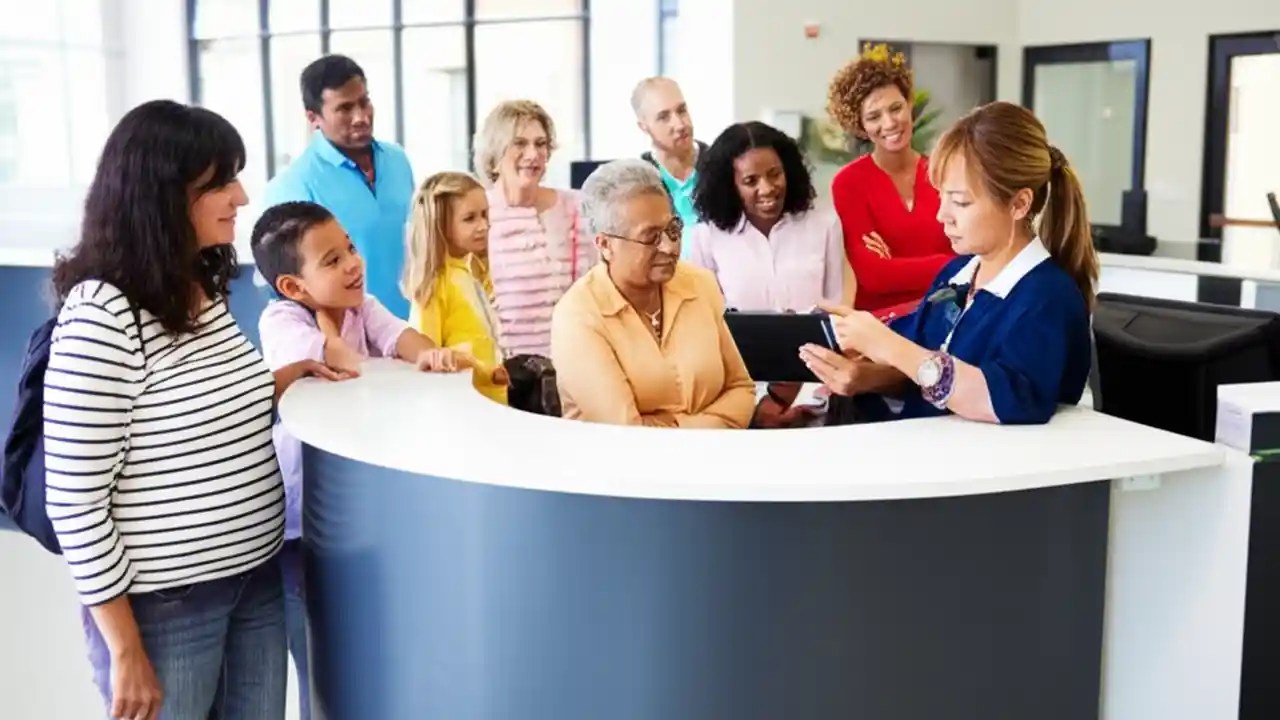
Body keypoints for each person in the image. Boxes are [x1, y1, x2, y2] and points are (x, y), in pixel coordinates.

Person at [44, 100, 343, 720]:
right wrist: (123, 646)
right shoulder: (101, 315)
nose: (240, 196)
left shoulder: (201, 288)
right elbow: (74, 498)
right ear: (164, 195)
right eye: (220, 182)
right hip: (166, 609)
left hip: (253, 584)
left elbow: (202, 413)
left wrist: (281, 381)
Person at [250, 200, 466, 719]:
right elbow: (338, 363)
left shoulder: (360, 305)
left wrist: (426, 354)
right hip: (298, 523)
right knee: (314, 652)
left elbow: (403, 337)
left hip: (351, 514)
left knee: (355, 649)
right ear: (292, 287)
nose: (352, 262)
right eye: (331, 260)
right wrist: (327, 319)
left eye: (348, 247)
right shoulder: (281, 319)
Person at [800, 101, 1097, 425]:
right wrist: (862, 371)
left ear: (1019, 204)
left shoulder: (1047, 298)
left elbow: (1006, 401)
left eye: (960, 202)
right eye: (941, 196)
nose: (942, 216)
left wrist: (887, 345)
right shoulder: (957, 276)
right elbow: (917, 364)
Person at [551, 159, 756, 428]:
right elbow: (627, 433)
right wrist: (711, 425)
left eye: (673, 229)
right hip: (617, 468)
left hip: (713, 462)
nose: (671, 248)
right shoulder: (577, 316)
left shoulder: (699, 284)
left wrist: (670, 425)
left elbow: (742, 389)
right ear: (605, 245)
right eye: (651, 237)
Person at [687, 120, 850, 428]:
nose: (767, 188)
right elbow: (705, 330)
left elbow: (834, 320)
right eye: (751, 180)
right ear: (730, 185)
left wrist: (791, 397)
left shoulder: (824, 225)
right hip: (740, 401)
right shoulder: (707, 237)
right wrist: (761, 405)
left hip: (817, 397)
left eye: (775, 174)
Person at [263, 54, 415, 318]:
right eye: (344, 109)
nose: (360, 117)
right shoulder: (294, 185)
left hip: (411, 327)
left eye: (364, 102)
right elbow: (290, 293)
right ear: (314, 118)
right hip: (350, 340)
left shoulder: (397, 160)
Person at [827, 43, 955, 314]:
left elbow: (975, 258)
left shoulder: (946, 172)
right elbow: (874, 276)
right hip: (880, 329)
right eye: (874, 116)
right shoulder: (848, 183)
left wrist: (898, 265)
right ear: (860, 126)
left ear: (909, 104)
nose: (889, 123)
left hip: (946, 321)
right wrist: (949, 262)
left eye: (896, 108)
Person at [475, 99, 596, 358]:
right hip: (502, 371)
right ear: (495, 153)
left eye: (540, 144)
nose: (533, 154)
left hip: (572, 365)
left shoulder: (576, 206)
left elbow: (596, 288)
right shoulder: (477, 213)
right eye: (520, 143)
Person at [403, 171, 511, 405]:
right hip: (464, 408)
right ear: (440, 224)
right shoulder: (434, 286)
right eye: (470, 218)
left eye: (485, 215)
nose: (483, 225)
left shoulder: (472, 271)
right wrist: (483, 370)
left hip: (493, 403)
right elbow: (428, 359)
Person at [632, 76, 707, 254]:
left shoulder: (722, 167)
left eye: (682, 110)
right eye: (663, 117)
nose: (680, 124)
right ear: (644, 127)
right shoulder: (638, 185)